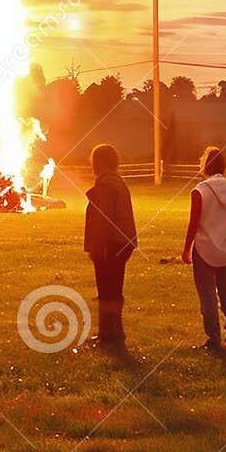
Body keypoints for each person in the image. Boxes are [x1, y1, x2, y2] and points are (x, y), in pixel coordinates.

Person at [183, 147, 226, 352]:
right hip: (225, 250)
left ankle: (213, 338)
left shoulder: (199, 191)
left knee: (207, 295)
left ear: (204, 165)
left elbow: (193, 223)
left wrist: (186, 250)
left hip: (203, 249)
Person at [84, 144, 137, 355]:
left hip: (110, 245)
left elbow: (103, 219)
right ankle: (115, 333)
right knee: (114, 289)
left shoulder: (105, 185)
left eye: (94, 162)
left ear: (101, 162)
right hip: (123, 243)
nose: (93, 166)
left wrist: (98, 246)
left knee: (106, 291)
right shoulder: (119, 182)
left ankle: (108, 336)